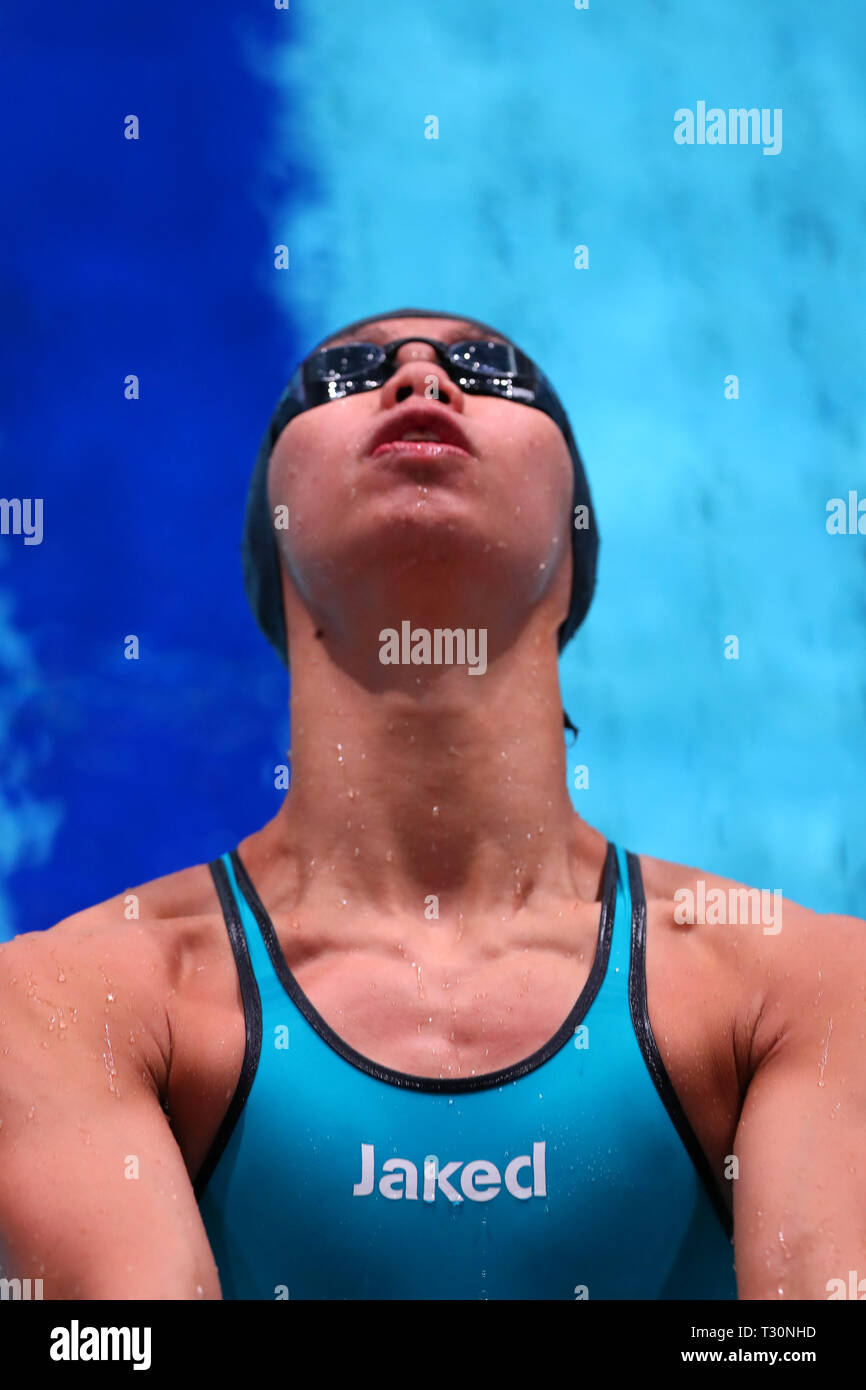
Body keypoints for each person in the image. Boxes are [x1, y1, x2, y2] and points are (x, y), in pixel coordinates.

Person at [1, 308, 863, 1301]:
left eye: (490, 370)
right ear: (271, 546)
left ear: (573, 548)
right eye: (345, 374)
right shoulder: (70, 1002)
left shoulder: (801, 987)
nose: (420, 379)